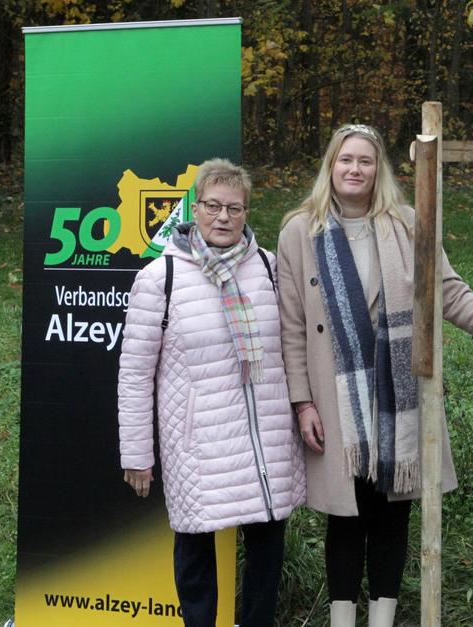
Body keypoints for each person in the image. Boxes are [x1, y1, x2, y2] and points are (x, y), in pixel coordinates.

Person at [276, 123, 473, 627]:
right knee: (346, 516)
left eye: (365, 161)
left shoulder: (409, 224)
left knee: (393, 510)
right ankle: (342, 619)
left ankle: (383, 618)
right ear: (331, 166)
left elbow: (449, 293)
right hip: (336, 400)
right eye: (345, 159)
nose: (354, 169)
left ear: (380, 171)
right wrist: (301, 402)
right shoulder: (299, 232)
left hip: (398, 392)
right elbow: (290, 325)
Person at [118, 158, 305, 627]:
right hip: (197, 441)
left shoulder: (268, 267)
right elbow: (135, 374)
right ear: (195, 208)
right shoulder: (161, 277)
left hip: (266, 436)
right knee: (196, 547)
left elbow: (296, 343)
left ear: (246, 213)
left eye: (235, 209)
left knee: (267, 545)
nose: (223, 218)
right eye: (213, 206)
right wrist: (137, 454)